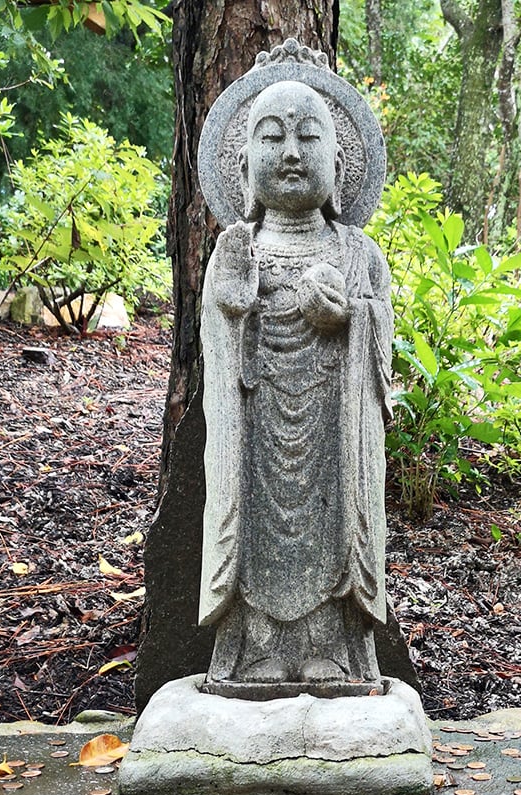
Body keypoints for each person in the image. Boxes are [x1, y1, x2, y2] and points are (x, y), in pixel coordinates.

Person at [199, 80, 393, 686]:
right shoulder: (237, 248)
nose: (290, 153)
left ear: (338, 164)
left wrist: (352, 317)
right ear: (243, 164)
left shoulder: (359, 253)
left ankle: (330, 648)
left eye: (309, 137)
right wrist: (230, 308)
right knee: (253, 527)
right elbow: (216, 335)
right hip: (255, 421)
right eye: (272, 137)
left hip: (336, 426)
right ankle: (258, 648)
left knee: (332, 525)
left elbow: (381, 331)